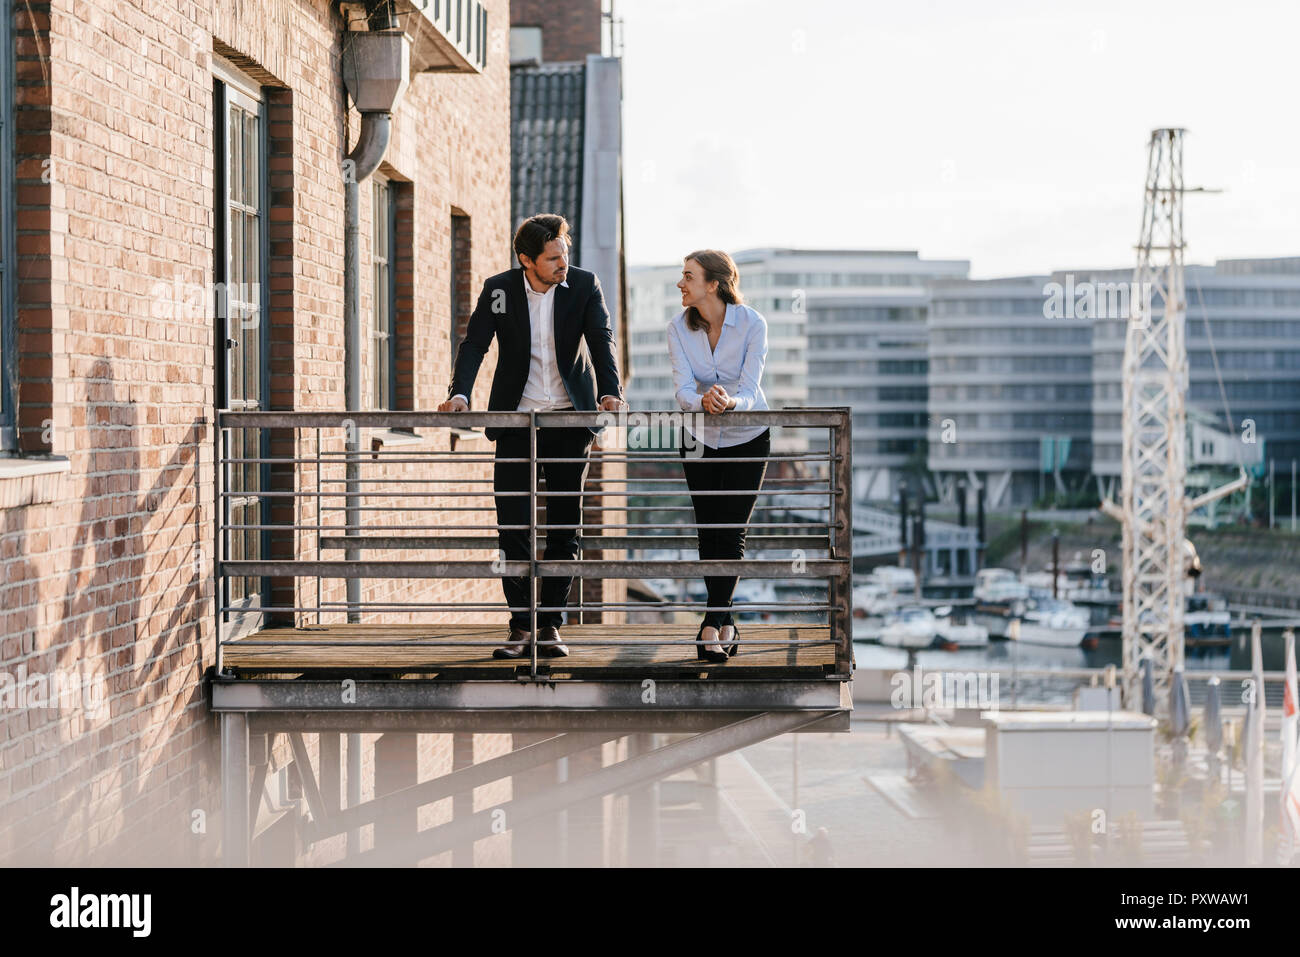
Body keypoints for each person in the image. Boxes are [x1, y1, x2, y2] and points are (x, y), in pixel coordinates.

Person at [439, 213, 625, 658]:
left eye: (565, 253)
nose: (563, 262)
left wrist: (612, 392)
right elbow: (475, 344)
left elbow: (601, 340)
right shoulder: (499, 289)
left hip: (568, 420)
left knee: (564, 524)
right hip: (515, 421)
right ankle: (521, 626)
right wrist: (460, 394)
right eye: (552, 257)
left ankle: (551, 627)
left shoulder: (583, 284)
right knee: (514, 524)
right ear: (527, 260)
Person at [667, 249, 769, 663]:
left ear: (714, 284)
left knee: (733, 529)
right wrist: (702, 401)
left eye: (688, 276)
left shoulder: (753, 324)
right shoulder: (677, 327)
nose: (681, 283)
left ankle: (712, 623)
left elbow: (749, 387)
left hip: (748, 435)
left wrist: (728, 401)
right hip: (697, 436)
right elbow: (682, 389)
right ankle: (724, 623)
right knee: (708, 529)